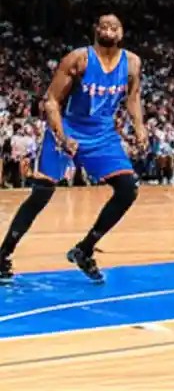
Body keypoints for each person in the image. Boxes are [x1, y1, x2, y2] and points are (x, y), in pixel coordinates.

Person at [0, 14, 146, 285]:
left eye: (115, 27)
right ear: (95, 30)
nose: (109, 30)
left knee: (128, 189)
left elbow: (133, 97)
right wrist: (62, 136)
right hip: (67, 129)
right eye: (104, 25)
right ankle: (3, 255)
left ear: (122, 32)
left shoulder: (132, 63)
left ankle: (85, 249)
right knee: (41, 194)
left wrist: (139, 126)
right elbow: (52, 102)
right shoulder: (78, 59)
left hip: (101, 134)